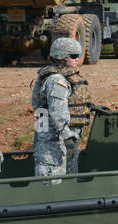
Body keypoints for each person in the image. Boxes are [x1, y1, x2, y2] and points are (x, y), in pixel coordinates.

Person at [30, 36, 90, 182]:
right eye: (74, 56)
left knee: (68, 182)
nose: (78, 59)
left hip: (60, 140)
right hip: (55, 143)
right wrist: (67, 137)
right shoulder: (57, 81)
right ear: (62, 58)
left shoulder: (58, 78)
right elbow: (58, 113)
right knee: (52, 185)